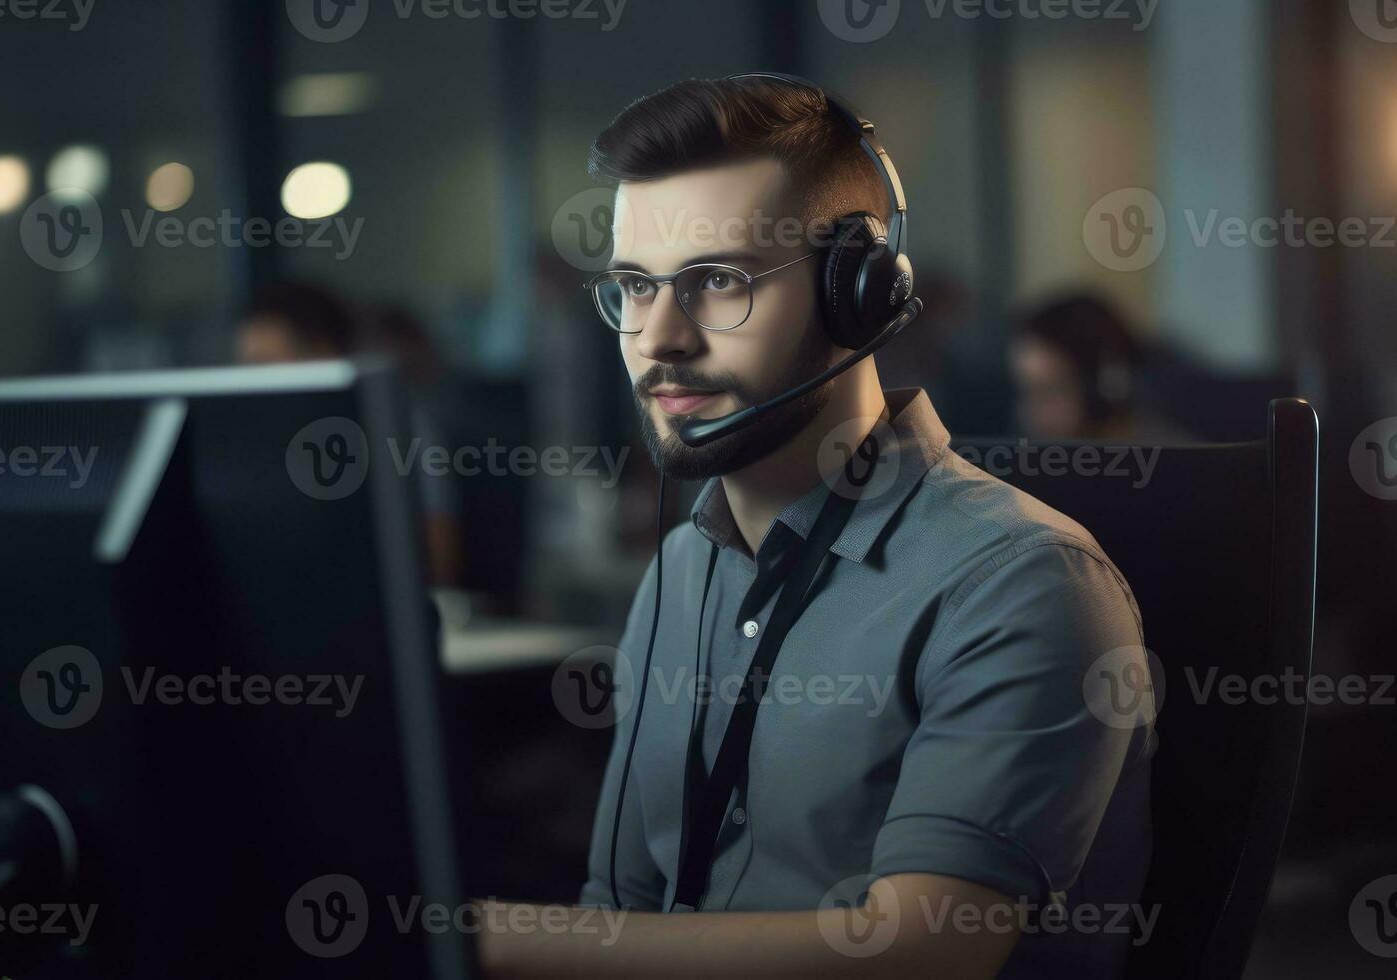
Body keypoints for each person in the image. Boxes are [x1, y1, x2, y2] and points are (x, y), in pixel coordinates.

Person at [476, 75, 1155, 978]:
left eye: (716, 281)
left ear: (857, 294)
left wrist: (490, 943)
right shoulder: (684, 569)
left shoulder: (1023, 583)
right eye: (636, 287)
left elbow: (919, 957)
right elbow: (623, 912)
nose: (660, 337)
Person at [235, 282, 462, 586]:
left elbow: (436, 557)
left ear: (321, 354)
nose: (250, 383)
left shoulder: (391, 424)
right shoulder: (250, 439)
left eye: (263, 364)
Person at [1010, 293, 1179, 442]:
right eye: (1026, 392)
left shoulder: (1177, 464)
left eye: (1051, 391)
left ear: (1106, 385)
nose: (1032, 414)